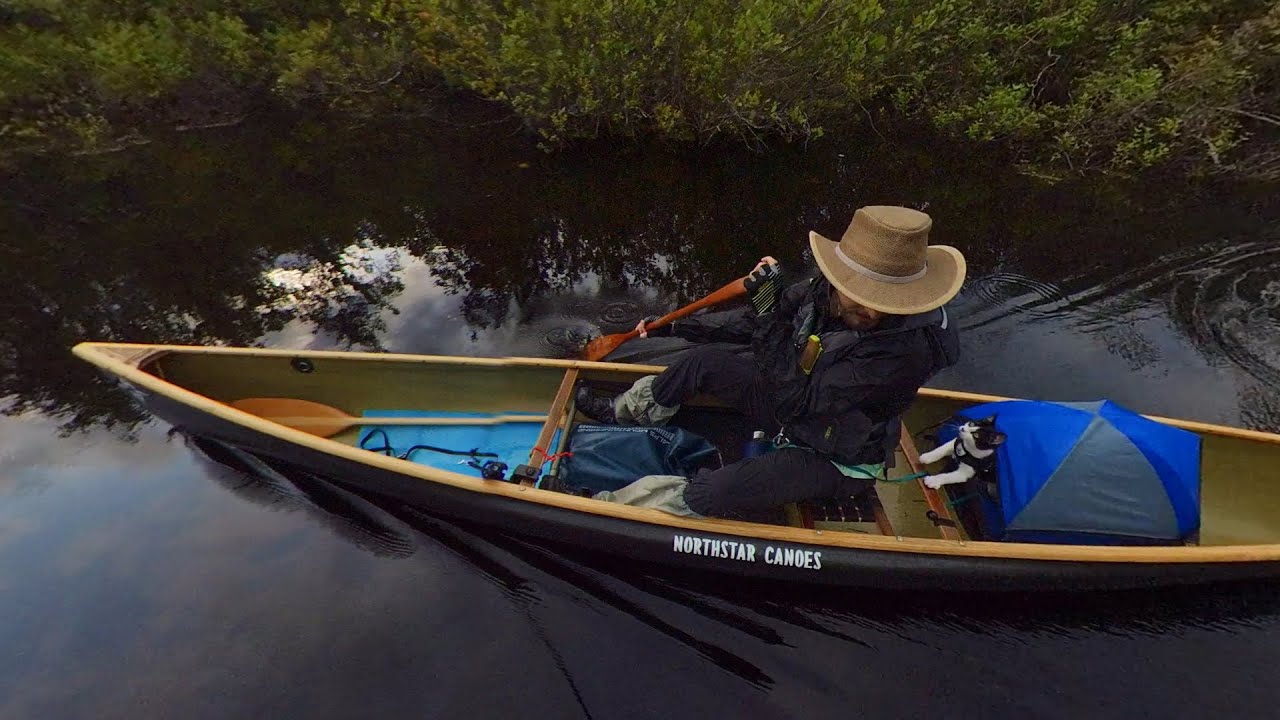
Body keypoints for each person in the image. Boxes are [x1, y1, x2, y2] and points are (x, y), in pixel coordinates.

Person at [575, 205, 966, 519]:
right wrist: (669, 327)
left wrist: (768, 319)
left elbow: (794, 401)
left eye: (881, 301)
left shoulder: (907, 353)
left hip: (834, 456)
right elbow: (752, 322)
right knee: (703, 361)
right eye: (856, 292)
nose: (866, 308)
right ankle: (625, 413)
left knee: (714, 492)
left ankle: (602, 506)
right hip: (800, 409)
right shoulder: (824, 289)